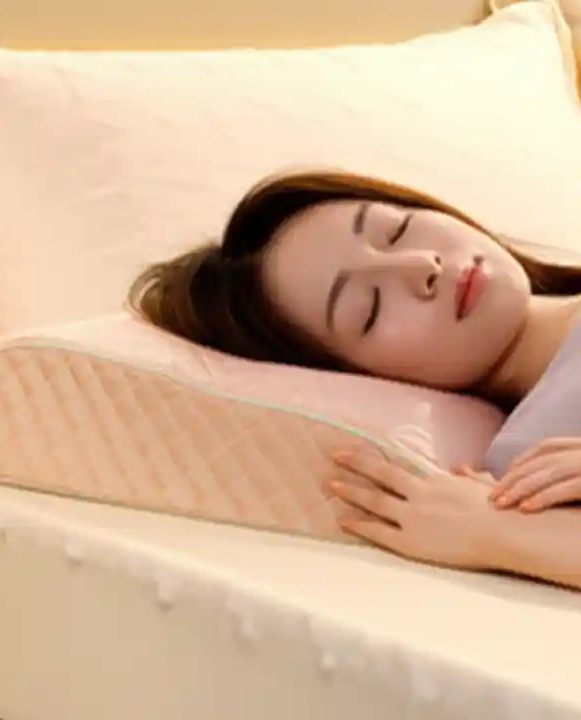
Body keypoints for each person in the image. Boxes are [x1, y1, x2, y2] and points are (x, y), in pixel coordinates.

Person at [128, 170, 581, 590]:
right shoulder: (530, 464)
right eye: (369, 308)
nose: (422, 266)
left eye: (396, 228)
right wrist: (494, 532)